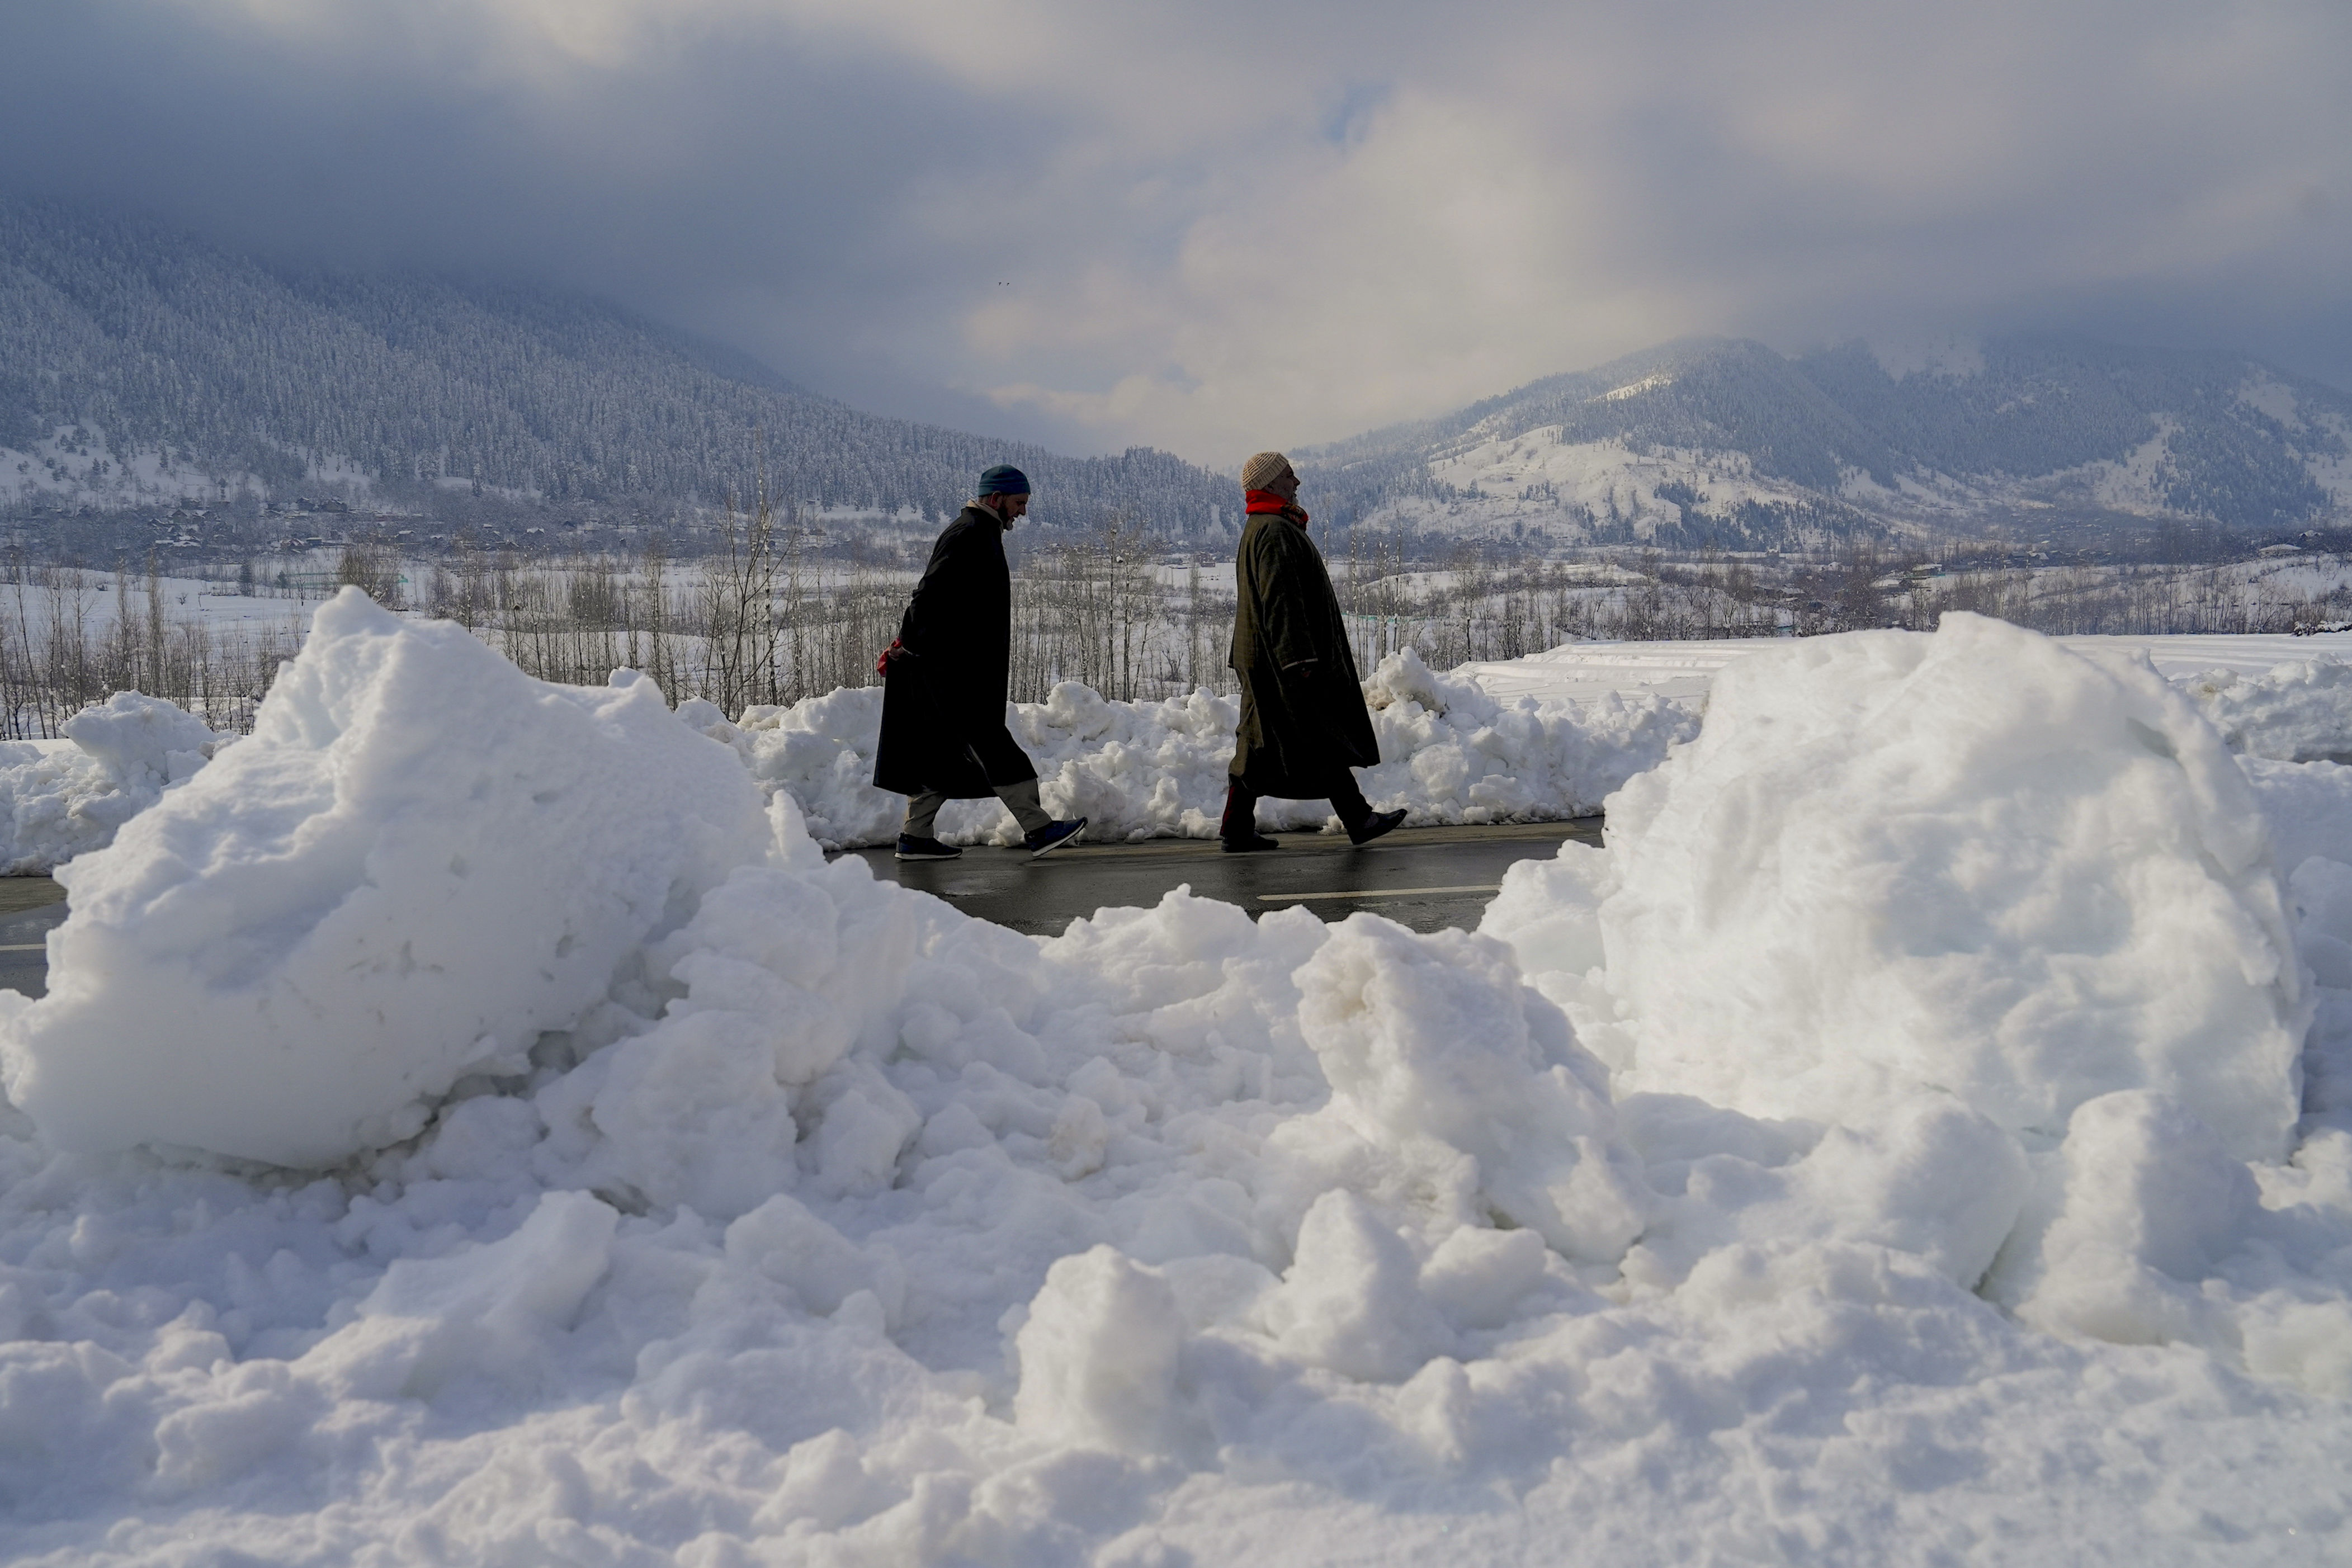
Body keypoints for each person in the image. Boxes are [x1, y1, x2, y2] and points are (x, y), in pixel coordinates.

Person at [873, 465, 1088, 861]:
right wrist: (910, 644)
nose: (1023, 511)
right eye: (1019, 502)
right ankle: (1039, 828)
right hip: (956, 671)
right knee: (993, 745)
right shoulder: (969, 534)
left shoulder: (980, 532)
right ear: (996, 498)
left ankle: (915, 837)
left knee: (942, 751)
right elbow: (929, 594)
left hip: (956, 667)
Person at [1221, 450, 1407, 853]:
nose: (1296, 482)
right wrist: (1298, 659)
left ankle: (1236, 827)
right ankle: (1359, 818)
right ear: (1271, 483)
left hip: (1263, 656)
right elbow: (1281, 599)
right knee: (1318, 733)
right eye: (1289, 475)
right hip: (1283, 659)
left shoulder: (1263, 525)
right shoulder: (1275, 531)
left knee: (1259, 741)